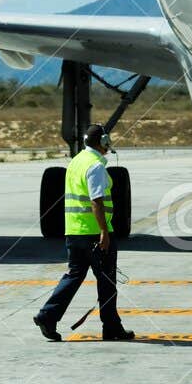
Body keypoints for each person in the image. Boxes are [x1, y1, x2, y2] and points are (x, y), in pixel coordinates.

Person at [34, 124, 134, 343]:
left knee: (74, 276)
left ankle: (48, 316)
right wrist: (104, 232)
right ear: (104, 141)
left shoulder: (76, 162)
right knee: (106, 281)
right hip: (93, 233)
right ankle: (112, 328)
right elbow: (96, 200)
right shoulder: (95, 166)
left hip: (74, 231)